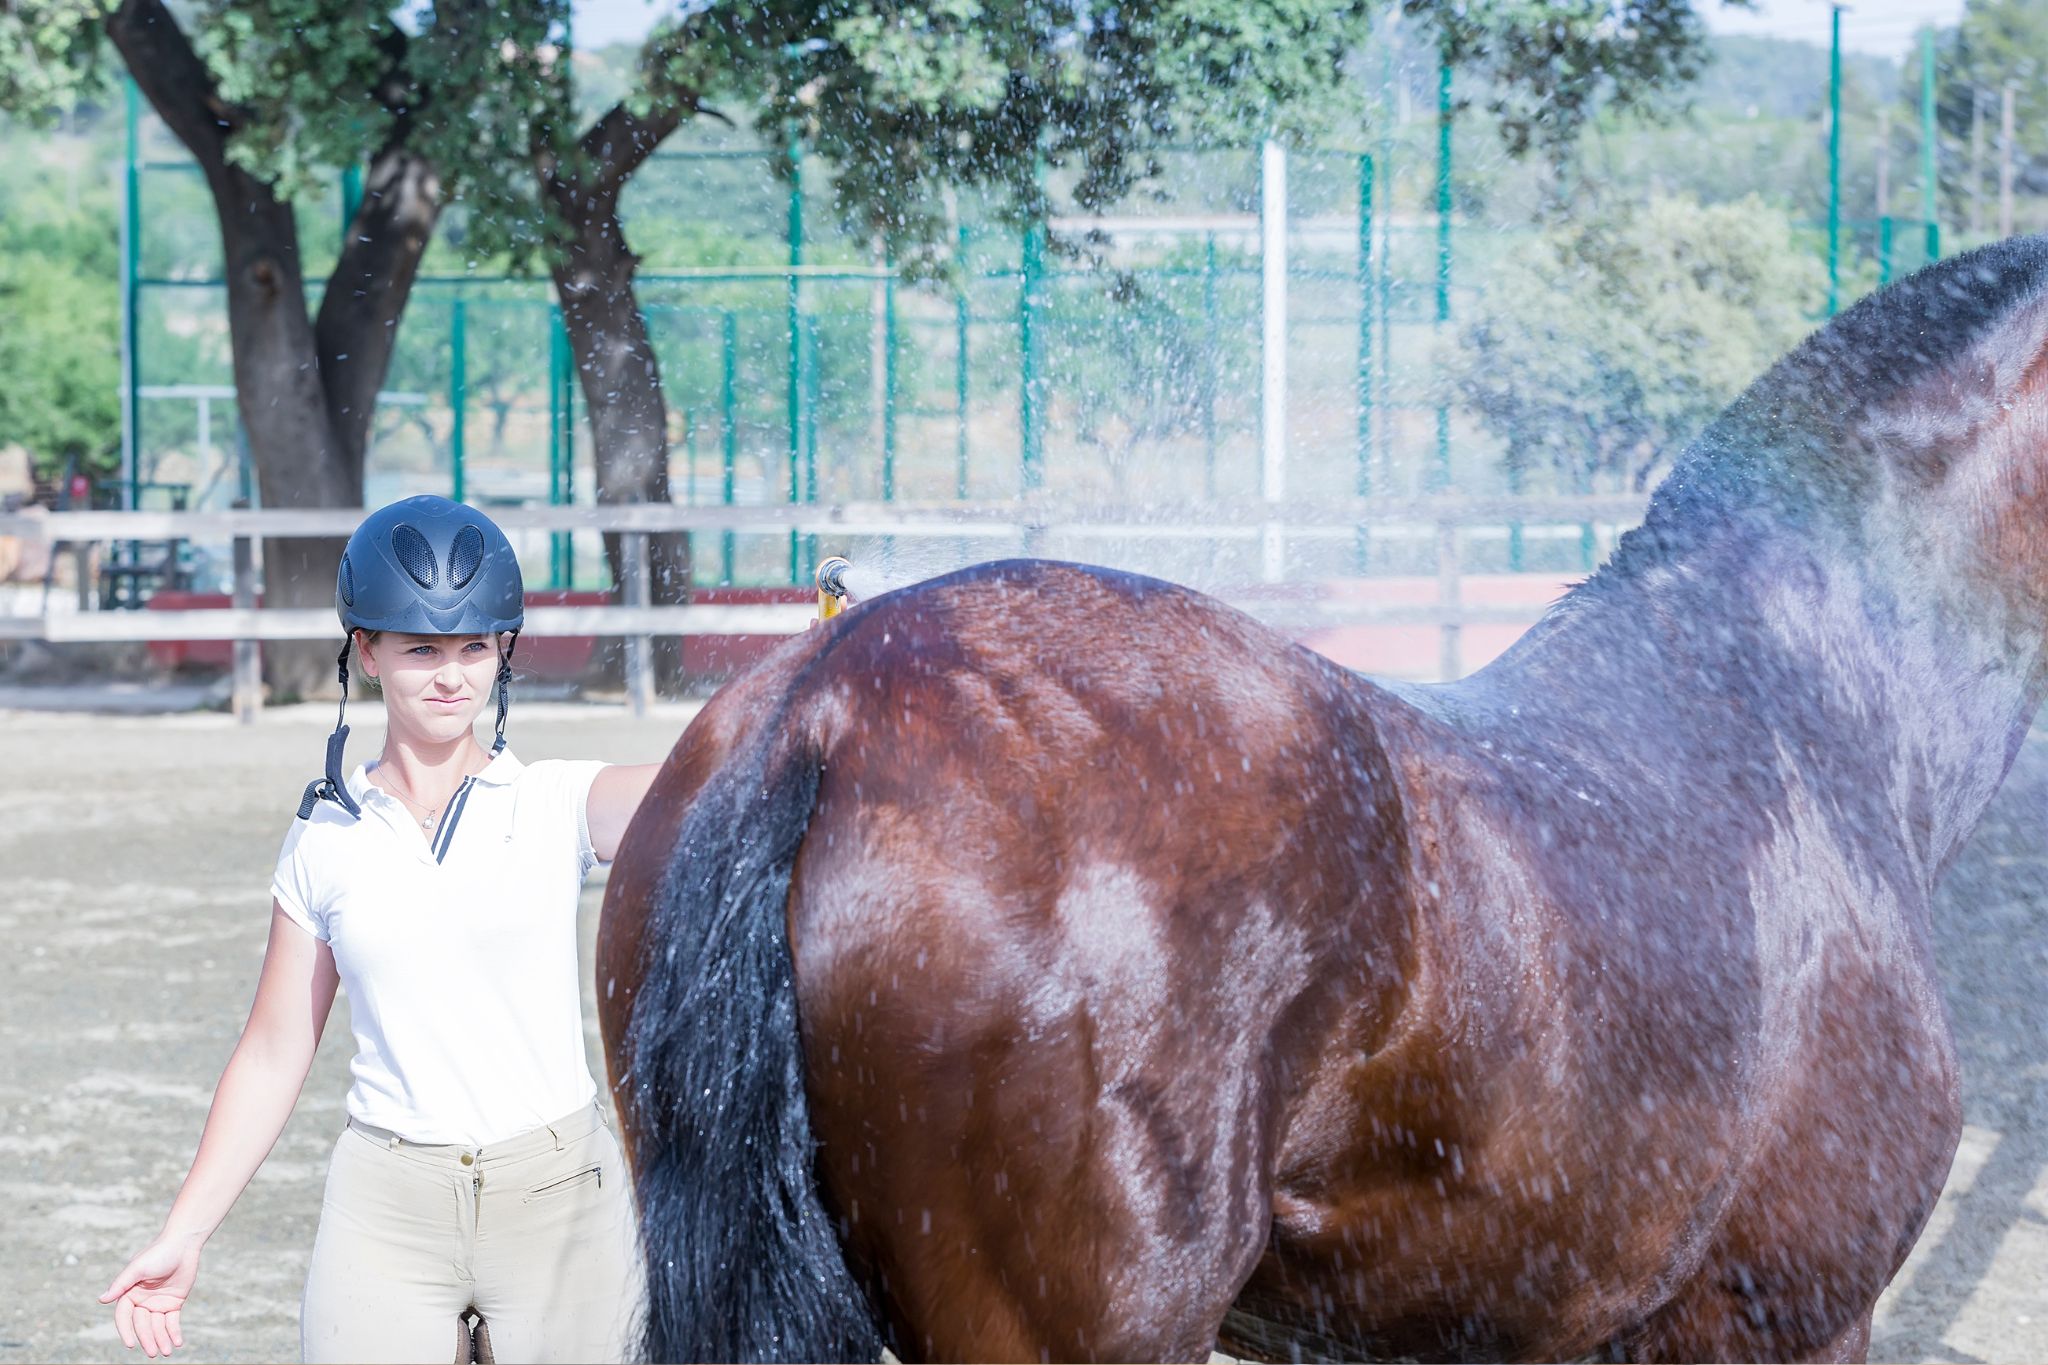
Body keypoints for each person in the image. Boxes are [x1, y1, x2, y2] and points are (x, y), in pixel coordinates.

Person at [98, 496, 663, 1362]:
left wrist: (823, 672)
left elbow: (716, 781)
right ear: (366, 650)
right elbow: (274, 1049)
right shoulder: (324, 836)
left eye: (475, 646)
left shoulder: (557, 802)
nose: (452, 676)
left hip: (561, 1194)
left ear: (503, 649)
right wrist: (186, 1232)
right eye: (421, 649)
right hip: (389, 1203)